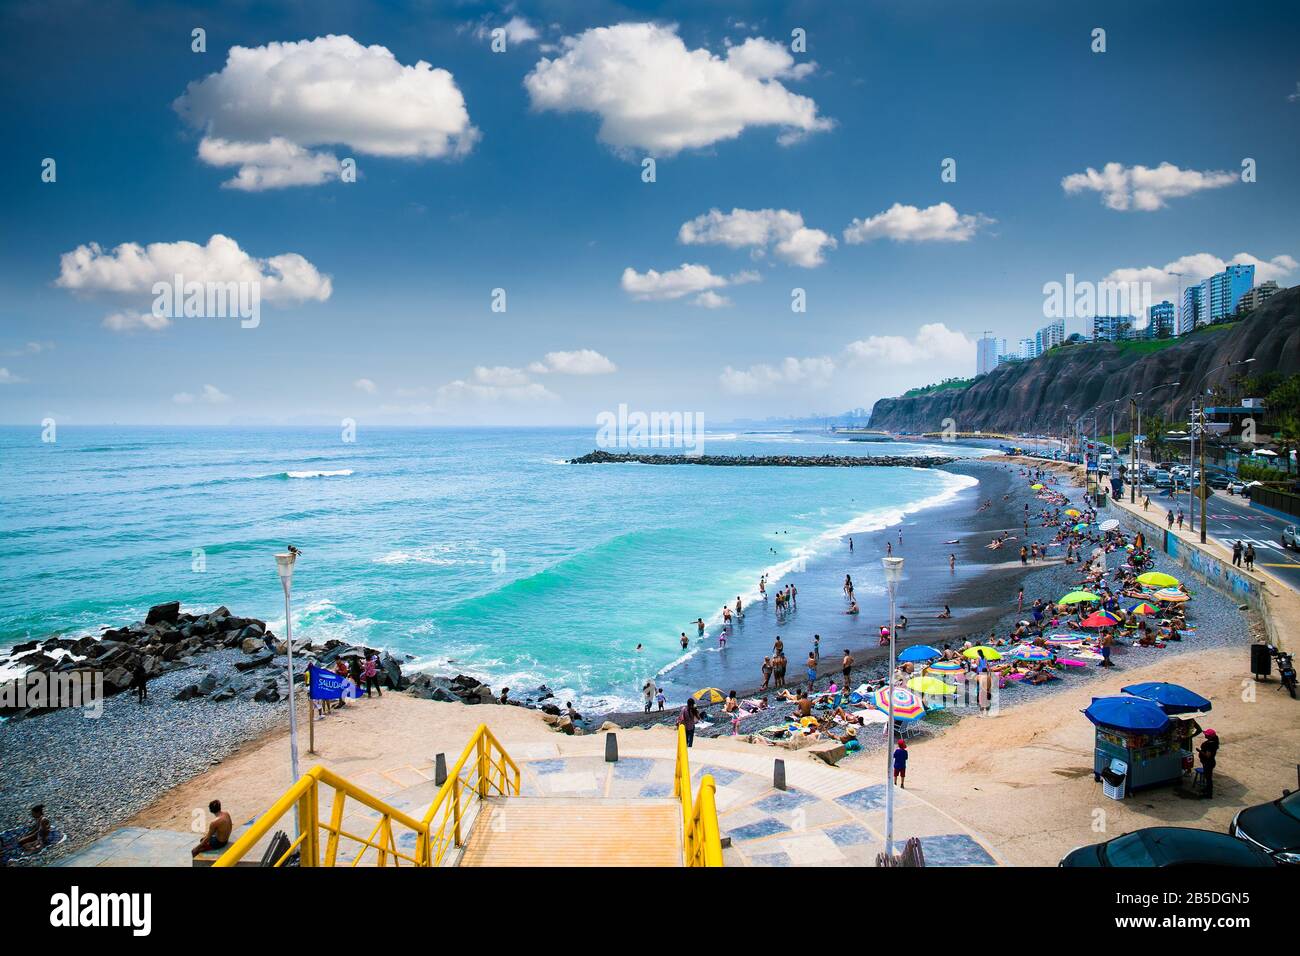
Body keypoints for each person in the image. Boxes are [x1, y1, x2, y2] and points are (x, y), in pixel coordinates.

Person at [1198, 729, 1219, 799]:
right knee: (1208, 777)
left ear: (1210, 736)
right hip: (1210, 762)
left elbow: (1207, 755)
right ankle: (1207, 790)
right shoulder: (1215, 741)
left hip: (1208, 763)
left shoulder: (1209, 745)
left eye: (1206, 734)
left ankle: (1209, 794)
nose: (1205, 735)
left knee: (1208, 778)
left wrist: (1200, 751)